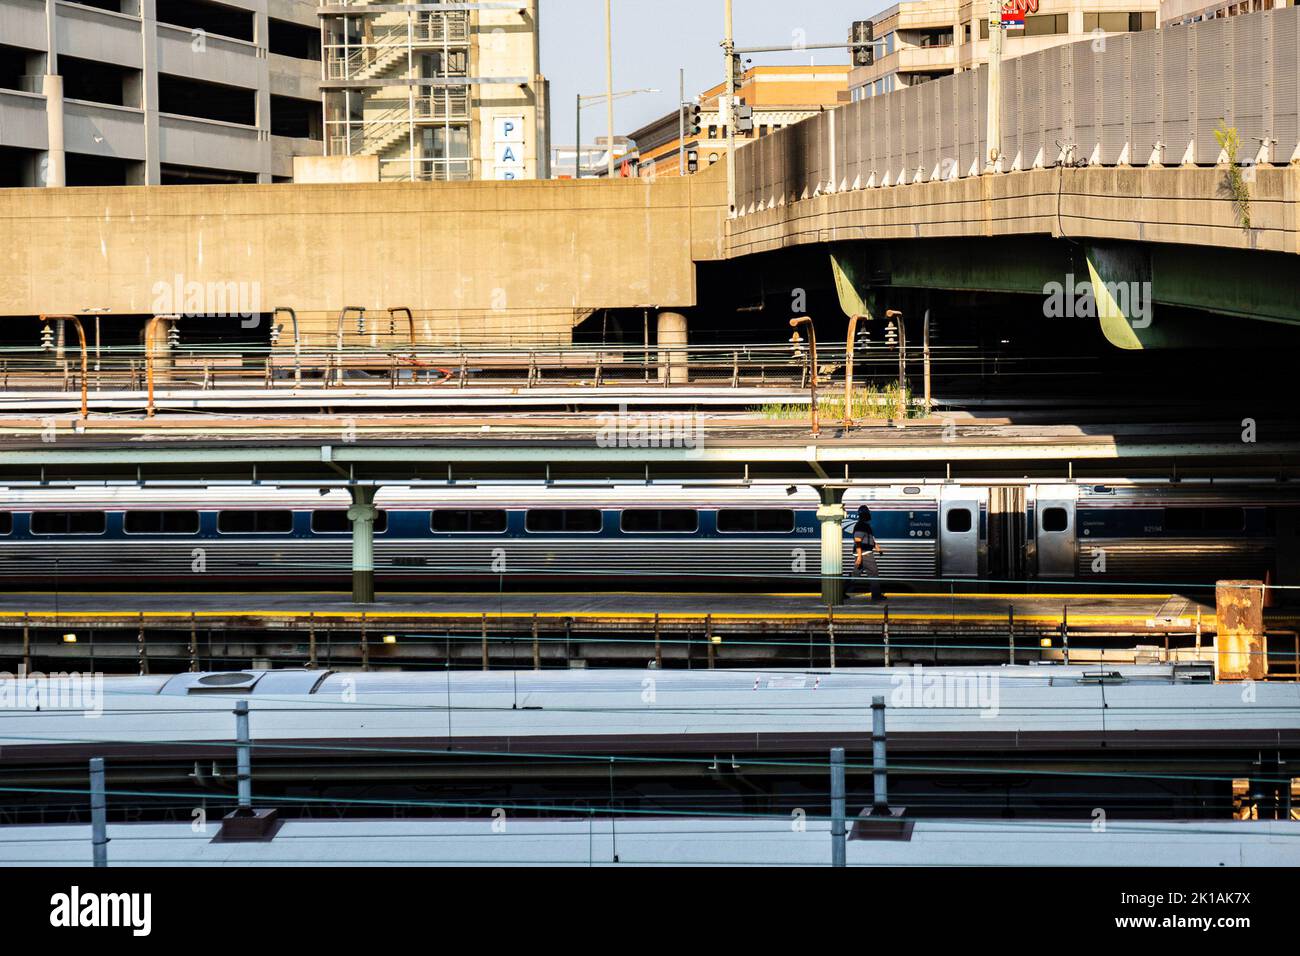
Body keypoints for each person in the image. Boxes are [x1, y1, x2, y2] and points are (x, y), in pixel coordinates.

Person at [852, 505, 885, 601]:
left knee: (855, 575)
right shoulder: (861, 525)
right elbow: (858, 541)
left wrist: (877, 547)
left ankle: (841, 592)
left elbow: (869, 539)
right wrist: (859, 557)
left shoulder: (865, 525)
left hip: (863, 554)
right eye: (867, 513)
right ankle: (876, 595)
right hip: (865, 554)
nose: (869, 515)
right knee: (874, 573)